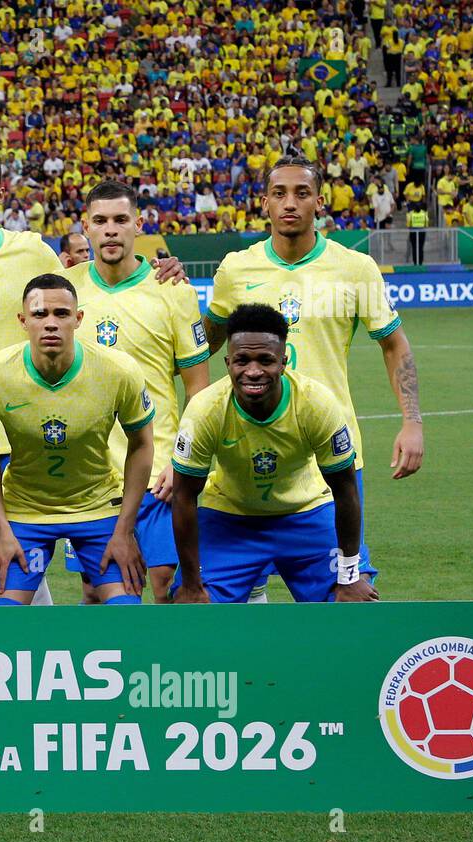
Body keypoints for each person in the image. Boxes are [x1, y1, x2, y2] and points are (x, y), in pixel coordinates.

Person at [0, 148, 186, 601]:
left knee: (23, 559)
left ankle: (42, 654)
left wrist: (158, 271)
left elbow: (76, 291)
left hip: (25, 434)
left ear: (1, 193)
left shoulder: (33, 251)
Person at [204, 156, 423, 598]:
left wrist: (412, 421)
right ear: (264, 203)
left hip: (329, 451)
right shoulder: (235, 269)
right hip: (247, 448)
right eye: (280, 193)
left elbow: (394, 343)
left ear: (319, 202)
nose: (290, 203)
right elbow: (201, 344)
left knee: (349, 595)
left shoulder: (354, 268)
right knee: (211, 602)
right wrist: (161, 293)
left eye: (302, 193)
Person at [61, 180, 210, 603]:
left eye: (121, 220)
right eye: (101, 221)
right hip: (89, 472)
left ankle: (161, 669)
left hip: (158, 466)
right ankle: (105, 670)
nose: (111, 230)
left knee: (165, 579)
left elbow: (199, 385)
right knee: (97, 586)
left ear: (138, 225)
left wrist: (184, 458)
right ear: (86, 227)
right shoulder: (65, 289)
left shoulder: (172, 290)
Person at [170, 305, 379, 604]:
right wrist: (191, 584)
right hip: (230, 519)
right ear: (228, 362)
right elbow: (183, 496)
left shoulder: (316, 403)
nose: (253, 371)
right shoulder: (205, 410)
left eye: (265, 360)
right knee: (192, 609)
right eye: (242, 360)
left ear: (283, 362)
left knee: (353, 603)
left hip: (306, 513)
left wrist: (348, 578)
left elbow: (345, 489)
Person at [0, 274, 155, 606]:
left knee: (127, 614)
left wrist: (125, 529)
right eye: (40, 315)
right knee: (3, 619)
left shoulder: (119, 371)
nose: (51, 324)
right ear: (23, 321)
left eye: (61, 314)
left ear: (79, 319)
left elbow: (141, 444)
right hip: (25, 511)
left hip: (99, 506)